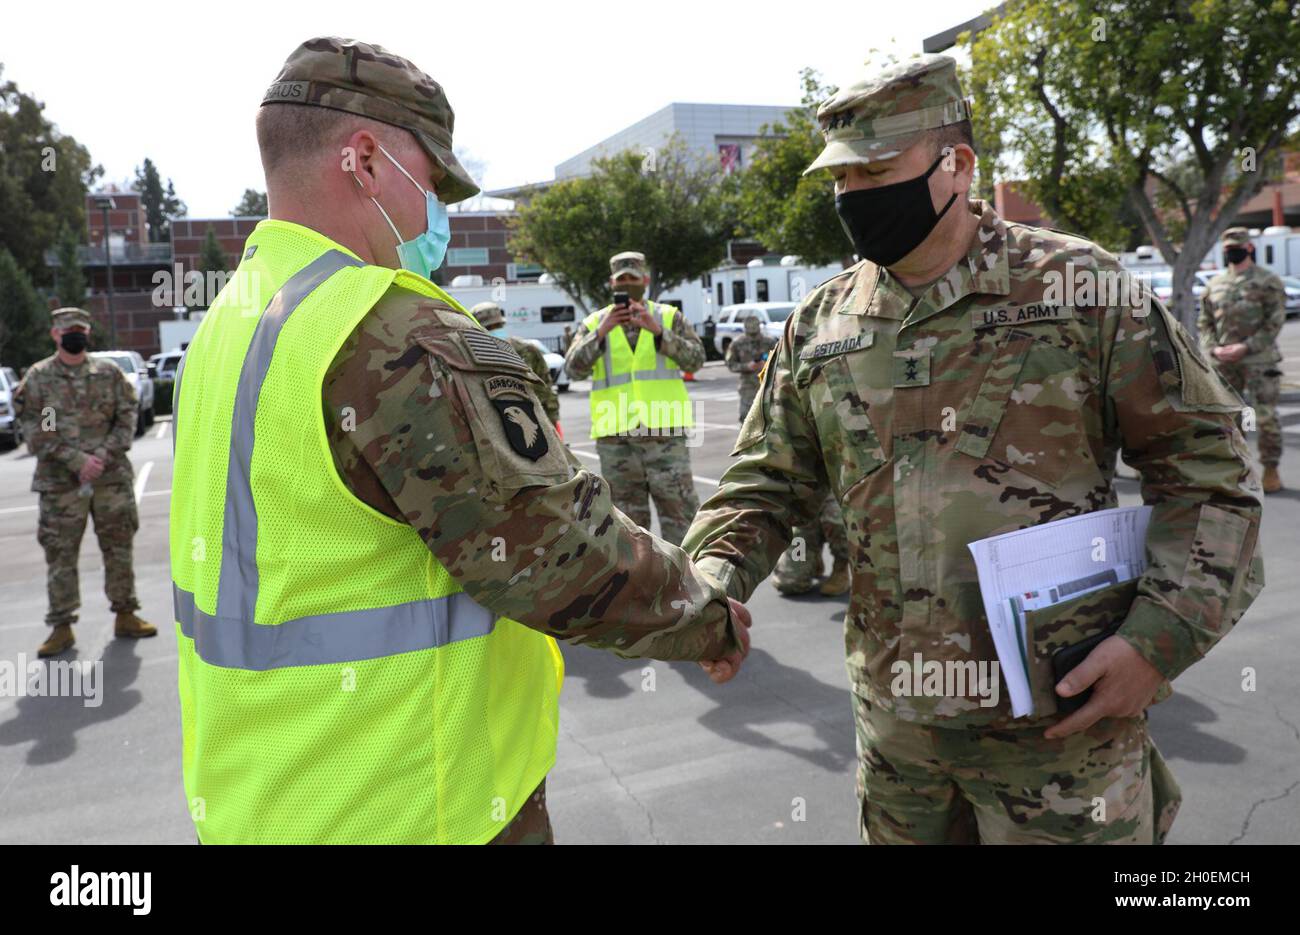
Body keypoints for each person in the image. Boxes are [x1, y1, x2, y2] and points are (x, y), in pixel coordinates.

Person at [170, 37, 748, 846]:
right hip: (412, 803)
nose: (435, 210)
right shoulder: (390, 328)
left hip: (258, 803)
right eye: (432, 182)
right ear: (364, 161)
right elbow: (560, 555)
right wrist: (707, 616)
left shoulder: (228, 325)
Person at [682, 54, 1263, 845]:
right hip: (899, 743)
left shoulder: (1080, 291)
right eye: (840, 182)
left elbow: (1212, 475)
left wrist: (1156, 641)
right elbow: (762, 485)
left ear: (957, 165)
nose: (853, 199)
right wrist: (708, 587)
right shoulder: (821, 327)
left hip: (1063, 738)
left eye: (875, 172)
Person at [15, 306, 156, 657]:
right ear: (55, 335)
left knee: (119, 547)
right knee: (60, 555)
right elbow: (40, 431)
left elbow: (127, 418)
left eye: (80, 329)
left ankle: (126, 614)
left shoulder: (108, 374)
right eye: (67, 331)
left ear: (88, 334)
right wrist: (77, 461)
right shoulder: (41, 380)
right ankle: (61, 627)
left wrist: (103, 456)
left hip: (110, 478)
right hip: (61, 484)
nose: (74, 335)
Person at [564, 251, 706, 545]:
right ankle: (642, 588)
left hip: (665, 437)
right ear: (611, 283)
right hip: (617, 442)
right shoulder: (594, 323)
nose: (627, 284)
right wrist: (601, 334)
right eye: (621, 280)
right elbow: (572, 370)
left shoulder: (668, 317)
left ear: (645, 280)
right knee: (627, 527)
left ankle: (688, 586)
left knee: (681, 516)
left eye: (633, 278)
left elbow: (696, 360)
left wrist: (657, 332)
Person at [1198, 227, 1287, 493]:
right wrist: (1212, 350)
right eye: (1227, 250)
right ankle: (1238, 471)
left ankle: (1270, 469)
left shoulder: (1268, 281)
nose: (1232, 253)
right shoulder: (1215, 284)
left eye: (1236, 248)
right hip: (1225, 364)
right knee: (1231, 419)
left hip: (1259, 361)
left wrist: (1246, 347)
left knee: (1265, 416)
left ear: (1249, 248)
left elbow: (1275, 322)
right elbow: (1205, 323)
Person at [469, 301, 560, 426]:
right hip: (516, 419)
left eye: (497, 325)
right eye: (491, 327)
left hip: (520, 418)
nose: (495, 330)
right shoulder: (474, 356)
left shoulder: (526, 349)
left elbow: (545, 385)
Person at [771, 494, 850, 597]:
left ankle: (841, 568)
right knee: (788, 583)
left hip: (836, 499)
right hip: (805, 509)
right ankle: (813, 558)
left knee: (835, 517)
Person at [725, 315, 777, 422]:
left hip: (768, 385)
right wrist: (747, 366)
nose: (753, 338)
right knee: (746, 418)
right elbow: (730, 363)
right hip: (748, 387)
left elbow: (781, 361)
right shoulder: (737, 343)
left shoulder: (770, 342)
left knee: (770, 419)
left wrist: (767, 365)